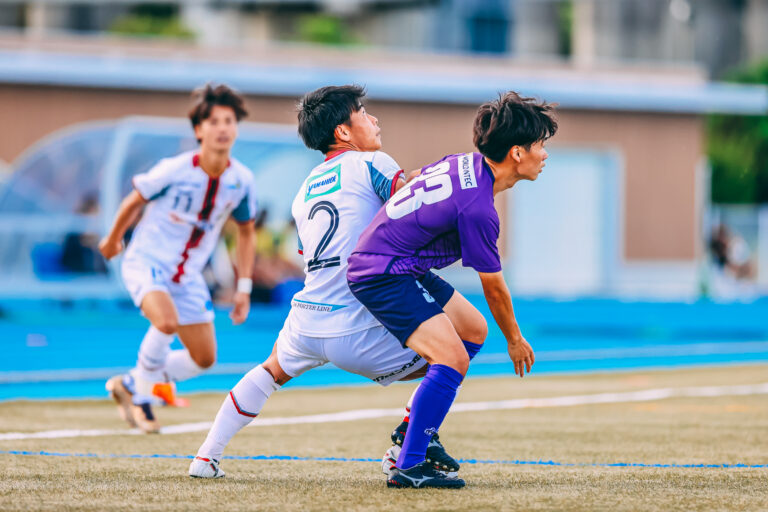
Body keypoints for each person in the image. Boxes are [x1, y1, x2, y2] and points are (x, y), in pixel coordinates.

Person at [189, 85, 465, 480]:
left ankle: (205, 457)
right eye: (365, 113)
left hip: (307, 315)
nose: (374, 120)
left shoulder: (303, 191)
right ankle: (408, 447)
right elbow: (412, 213)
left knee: (269, 372)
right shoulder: (374, 162)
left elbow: (310, 254)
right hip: (360, 322)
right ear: (344, 132)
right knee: (459, 348)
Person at [347, 91, 558, 488]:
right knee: (454, 358)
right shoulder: (479, 207)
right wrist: (514, 339)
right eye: (540, 145)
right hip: (385, 271)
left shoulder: (464, 164)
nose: (544, 154)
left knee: (473, 331)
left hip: (401, 263)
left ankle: (410, 431)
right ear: (516, 153)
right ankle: (409, 466)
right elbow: (494, 289)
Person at [99, 84, 258, 433]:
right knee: (166, 322)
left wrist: (243, 287)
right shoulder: (174, 168)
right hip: (147, 261)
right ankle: (143, 400)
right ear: (199, 129)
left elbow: (246, 231)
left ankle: (129, 382)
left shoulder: (242, 180)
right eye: (213, 121)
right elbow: (134, 200)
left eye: (229, 121)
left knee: (204, 359)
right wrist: (112, 240)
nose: (222, 128)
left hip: (187, 276)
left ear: (236, 128)